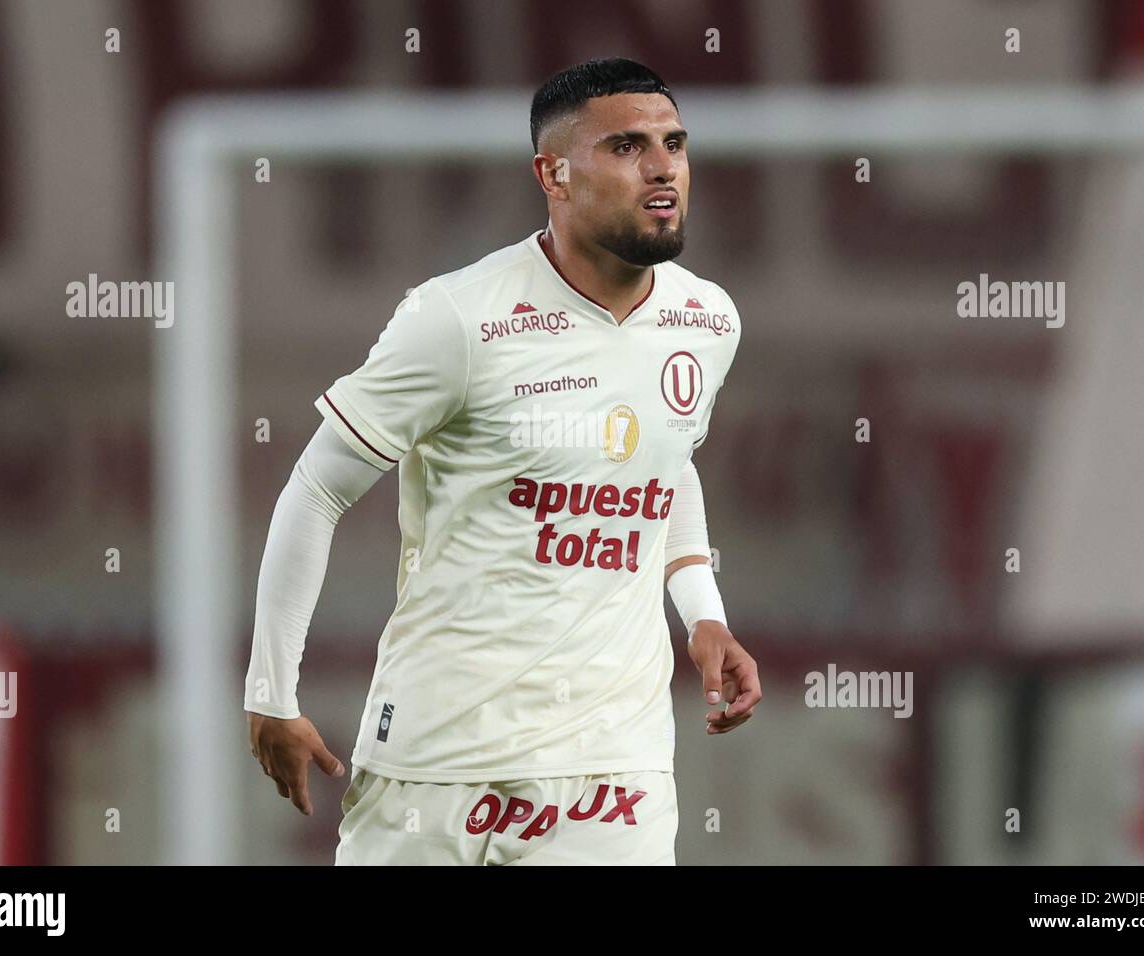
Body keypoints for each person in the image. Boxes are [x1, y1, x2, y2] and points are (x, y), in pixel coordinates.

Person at [244, 56, 760, 865]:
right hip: (434, 763)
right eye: (626, 147)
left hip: (611, 773)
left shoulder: (708, 320)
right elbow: (315, 489)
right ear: (552, 174)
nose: (663, 168)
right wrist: (271, 692)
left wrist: (702, 611)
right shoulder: (458, 319)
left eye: (673, 143)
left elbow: (668, 462)